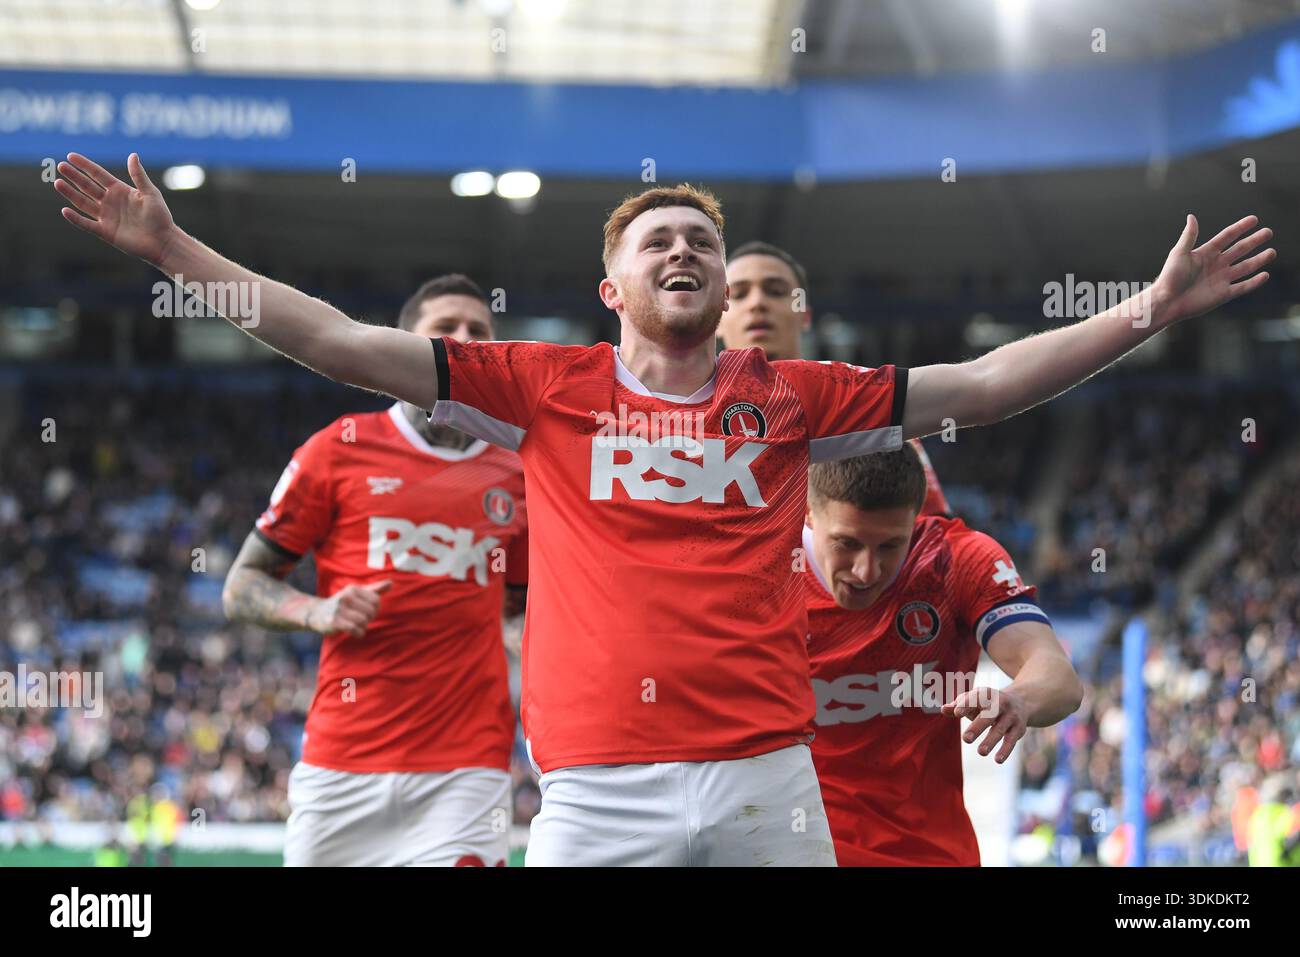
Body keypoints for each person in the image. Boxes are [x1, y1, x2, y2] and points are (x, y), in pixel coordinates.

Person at [54, 153, 1272, 865]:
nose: (684, 250)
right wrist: (173, 251)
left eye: (701, 236)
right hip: (595, 791)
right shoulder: (541, 388)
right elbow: (332, 339)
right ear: (612, 286)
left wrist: (1144, 315)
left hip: (764, 776)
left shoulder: (796, 398)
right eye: (658, 241)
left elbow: (991, 383)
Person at [222, 275, 528, 866]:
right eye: (445, 330)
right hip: (342, 766)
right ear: (403, 346)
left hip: (465, 768)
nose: (464, 342)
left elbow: (515, 600)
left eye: (479, 333)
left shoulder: (517, 472)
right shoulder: (337, 450)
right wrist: (316, 610)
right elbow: (241, 586)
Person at [802, 444, 1082, 864]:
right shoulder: (757, 570)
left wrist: (1018, 700)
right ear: (806, 512)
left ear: (915, 521)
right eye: (847, 543)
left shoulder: (956, 562)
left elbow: (1057, 675)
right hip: (799, 851)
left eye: (889, 546)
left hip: (928, 855)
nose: (866, 570)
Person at [720, 240, 951, 515]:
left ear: (804, 315)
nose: (757, 303)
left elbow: (934, 535)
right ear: (717, 319)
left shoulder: (867, 413)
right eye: (740, 294)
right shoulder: (681, 420)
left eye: (776, 291)